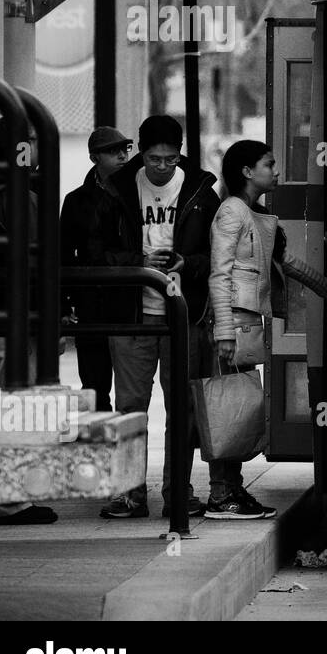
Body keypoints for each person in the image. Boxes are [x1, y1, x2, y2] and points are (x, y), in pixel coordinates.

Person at [91, 116, 220, 520]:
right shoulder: (115, 190)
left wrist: (188, 263)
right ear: (141, 154)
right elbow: (97, 253)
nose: (162, 167)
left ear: (180, 153)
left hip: (184, 315)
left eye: (170, 159)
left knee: (182, 407)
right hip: (131, 313)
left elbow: (217, 255)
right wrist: (139, 261)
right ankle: (129, 493)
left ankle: (177, 492)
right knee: (130, 406)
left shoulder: (201, 191)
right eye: (153, 159)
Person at [207, 140, 327, 519]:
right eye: (269, 164)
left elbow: (290, 264)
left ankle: (231, 491)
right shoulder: (232, 212)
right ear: (247, 172)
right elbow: (220, 273)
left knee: (241, 404)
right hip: (234, 321)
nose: (277, 170)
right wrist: (223, 332)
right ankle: (222, 495)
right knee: (229, 405)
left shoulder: (258, 216)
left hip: (246, 321)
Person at [0, 118, 57, 525]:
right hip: (13, 316)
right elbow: (35, 262)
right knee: (14, 408)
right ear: (24, 147)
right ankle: (10, 501)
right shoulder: (22, 196)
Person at [60, 127, 132, 412]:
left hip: (128, 298)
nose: (122, 155)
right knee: (94, 384)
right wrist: (66, 303)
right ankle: (101, 445)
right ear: (94, 157)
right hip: (91, 300)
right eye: (113, 151)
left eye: (125, 149)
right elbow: (64, 253)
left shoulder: (137, 193)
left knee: (132, 386)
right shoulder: (76, 201)